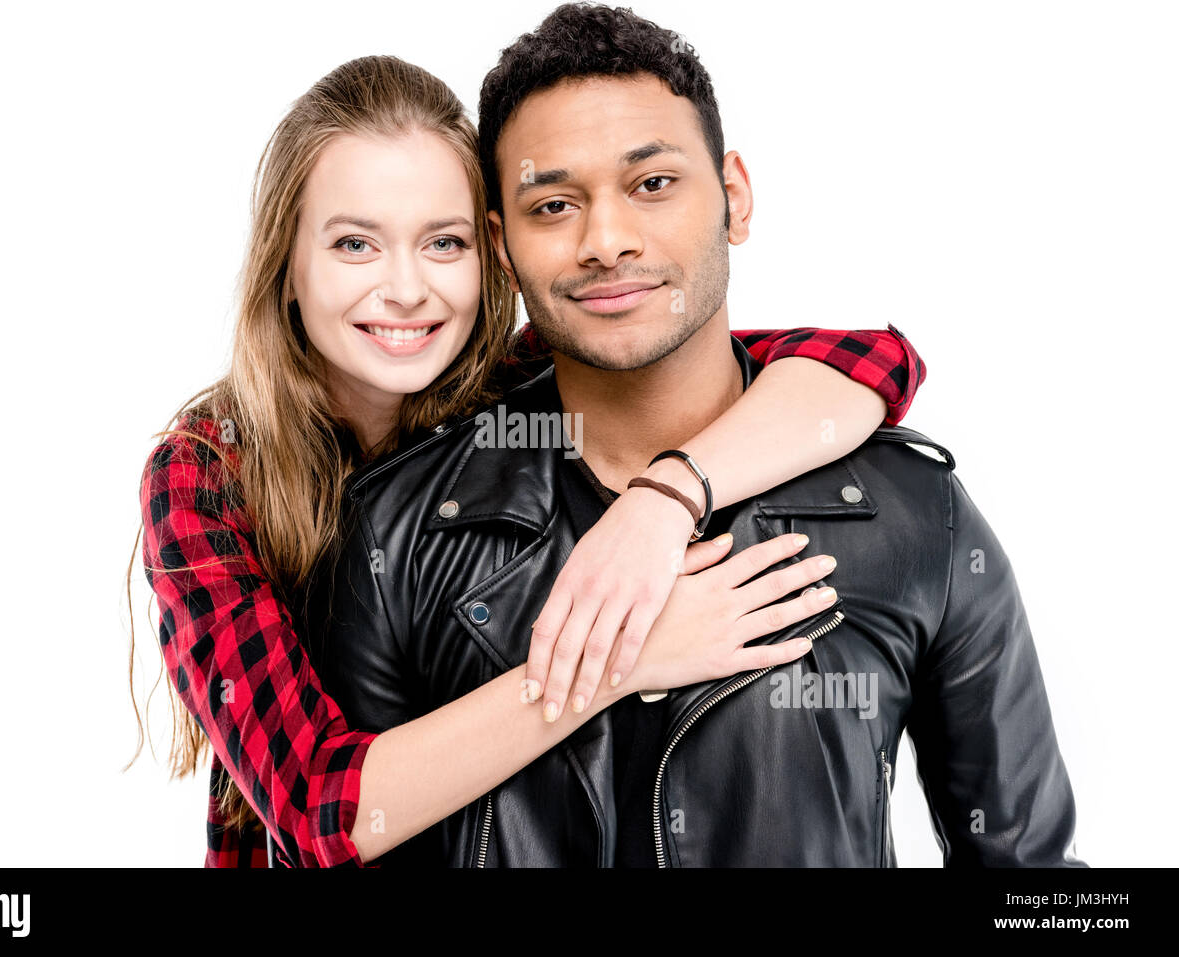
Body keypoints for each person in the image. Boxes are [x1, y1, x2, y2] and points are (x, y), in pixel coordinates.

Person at [317, 5, 1084, 867]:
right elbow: (341, 826)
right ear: (500, 245)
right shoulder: (393, 530)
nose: (606, 241)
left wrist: (667, 496)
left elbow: (1039, 886)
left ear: (735, 197)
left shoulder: (914, 517)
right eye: (554, 203)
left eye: (653, 184)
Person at [129, 53, 928, 867]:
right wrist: (617, 659)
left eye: (441, 242)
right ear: (286, 267)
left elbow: (866, 363)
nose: (405, 289)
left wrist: (666, 498)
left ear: (493, 255)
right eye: (355, 245)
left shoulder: (513, 382)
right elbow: (316, 808)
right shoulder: (207, 474)